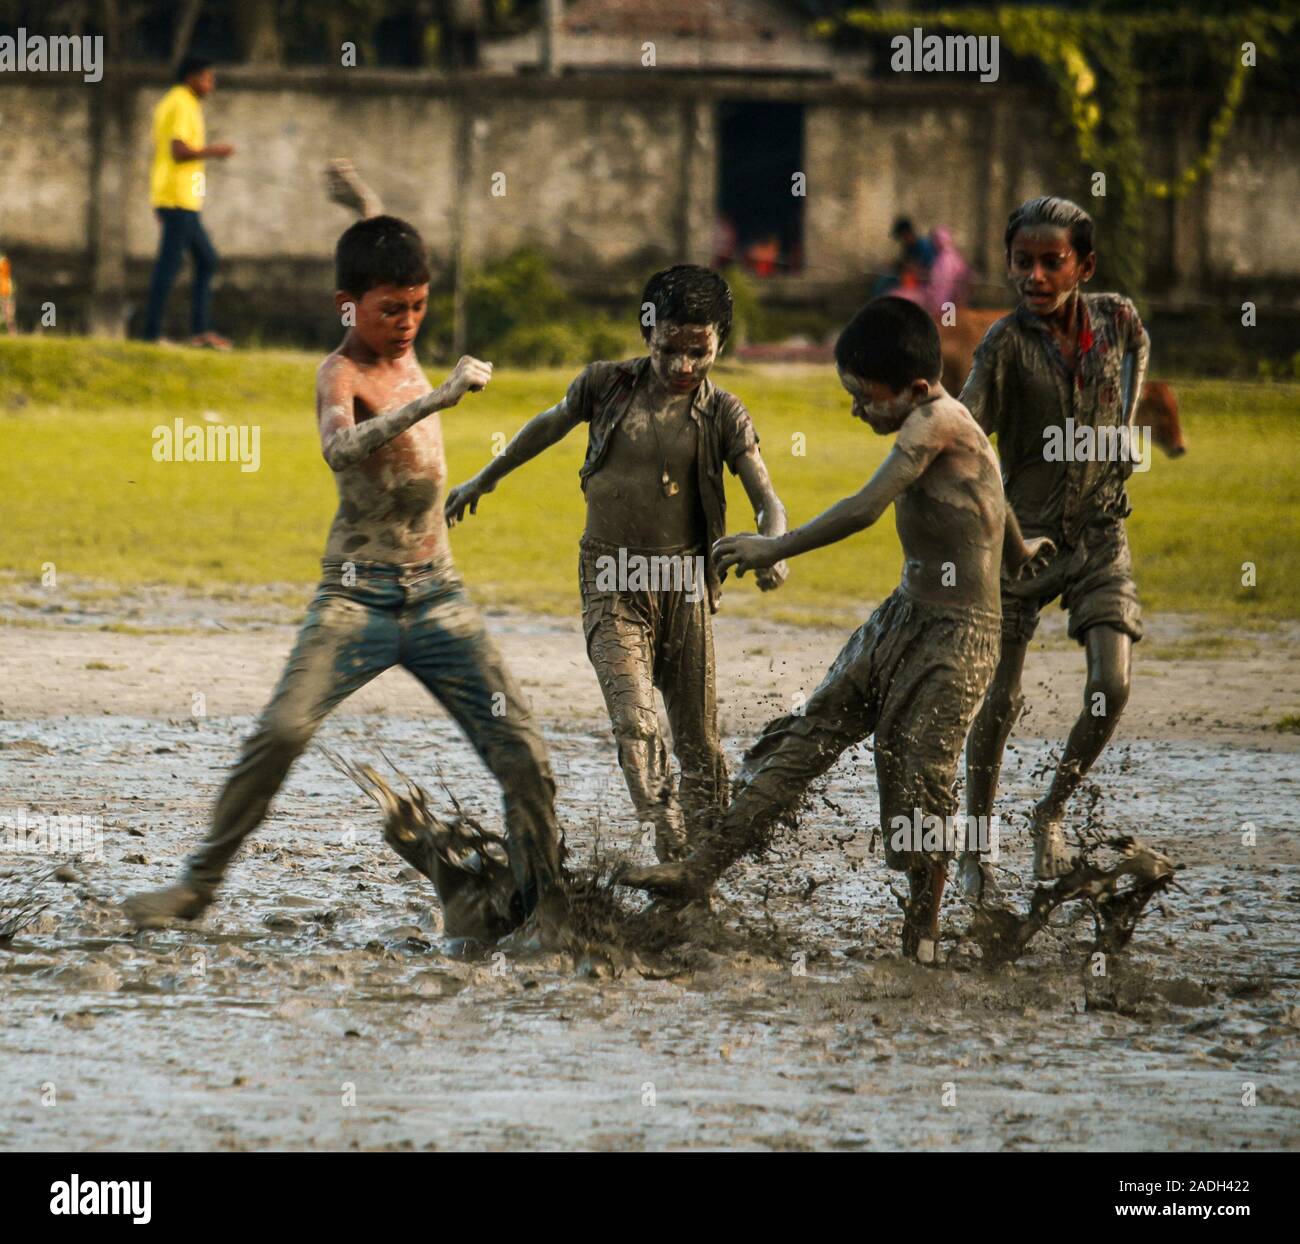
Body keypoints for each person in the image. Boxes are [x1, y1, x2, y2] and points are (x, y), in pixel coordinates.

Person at [124, 215, 564, 930]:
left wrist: (361, 199)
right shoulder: (343, 372)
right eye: (392, 309)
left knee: (522, 750)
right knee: (282, 731)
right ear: (348, 306)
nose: (408, 323)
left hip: (438, 596)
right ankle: (195, 888)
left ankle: (545, 906)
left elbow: (391, 249)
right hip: (357, 598)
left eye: (418, 306)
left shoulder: (400, 321)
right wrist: (435, 399)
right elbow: (340, 447)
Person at [618, 297, 1052, 962]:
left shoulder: (934, 423)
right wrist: (1022, 554)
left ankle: (925, 929)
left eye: (863, 397)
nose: (856, 410)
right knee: (802, 739)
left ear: (912, 390)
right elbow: (993, 485)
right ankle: (698, 870)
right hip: (900, 617)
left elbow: (864, 509)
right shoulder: (954, 422)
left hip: (958, 639)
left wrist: (774, 548)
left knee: (919, 782)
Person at [445, 266, 789, 862]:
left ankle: (709, 862)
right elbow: (545, 428)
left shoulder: (725, 413)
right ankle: (671, 849)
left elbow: (767, 499)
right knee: (635, 727)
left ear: (719, 345)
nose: (683, 366)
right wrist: (485, 477)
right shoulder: (604, 386)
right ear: (647, 332)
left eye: (698, 352)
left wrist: (772, 547)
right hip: (612, 582)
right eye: (669, 350)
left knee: (700, 744)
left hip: (683, 587)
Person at [958, 196, 1150, 899]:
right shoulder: (1004, 345)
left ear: (1085, 266)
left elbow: (1138, 352)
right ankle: (976, 849)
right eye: (1022, 262)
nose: (1034, 276)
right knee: (996, 701)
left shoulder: (1118, 318)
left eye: (1051, 262)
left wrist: (1124, 425)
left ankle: (1050, 810)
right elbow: (970, 432)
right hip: (1021, 541)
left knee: (1112, 684)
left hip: (1101, 533)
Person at [142, 55, 234, 348]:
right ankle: (152, 334)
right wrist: (214, 152)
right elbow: (179, 150)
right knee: (169, 266)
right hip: (176, 197)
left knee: (206, 260)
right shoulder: (181, 102)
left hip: (181, 197)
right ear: (191, 77)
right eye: (207, 77)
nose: (211, 84)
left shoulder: (180, 102)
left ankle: (200, 331)